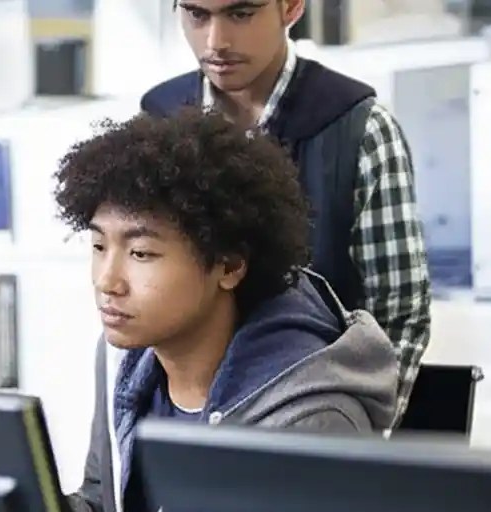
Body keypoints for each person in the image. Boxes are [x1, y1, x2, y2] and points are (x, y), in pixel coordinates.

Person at [59, 109, 402, 512]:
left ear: (229, 264)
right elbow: (105, 509)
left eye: (141, 254)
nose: (107, 279)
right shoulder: (125, 358)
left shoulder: (310, 416)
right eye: (98, 246)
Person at [140, 0, 432, 413]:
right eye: (196, 15)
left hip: (313, 424)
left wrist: (351, 435)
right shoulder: (158, 120)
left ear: (292, 6)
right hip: (178, 423)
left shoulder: (358, 130)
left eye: (241, 14)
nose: (215, 41)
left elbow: (401, 317)